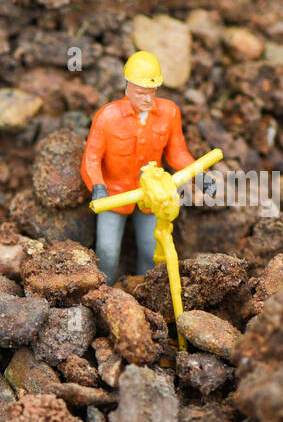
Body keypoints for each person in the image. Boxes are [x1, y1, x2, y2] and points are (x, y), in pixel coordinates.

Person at [81, 51, 215, 284]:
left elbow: (177, 152)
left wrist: (199, 175)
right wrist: (98, 187)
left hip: (152, 195)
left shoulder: (169, 113)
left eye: (152, 92)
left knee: (150, 248)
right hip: (115, 194)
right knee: (108, 250)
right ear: (128, 88)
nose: (147, 98)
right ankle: (105, 290)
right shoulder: (108, 117)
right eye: (141, 92)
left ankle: (144, 289)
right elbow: (91, 158)